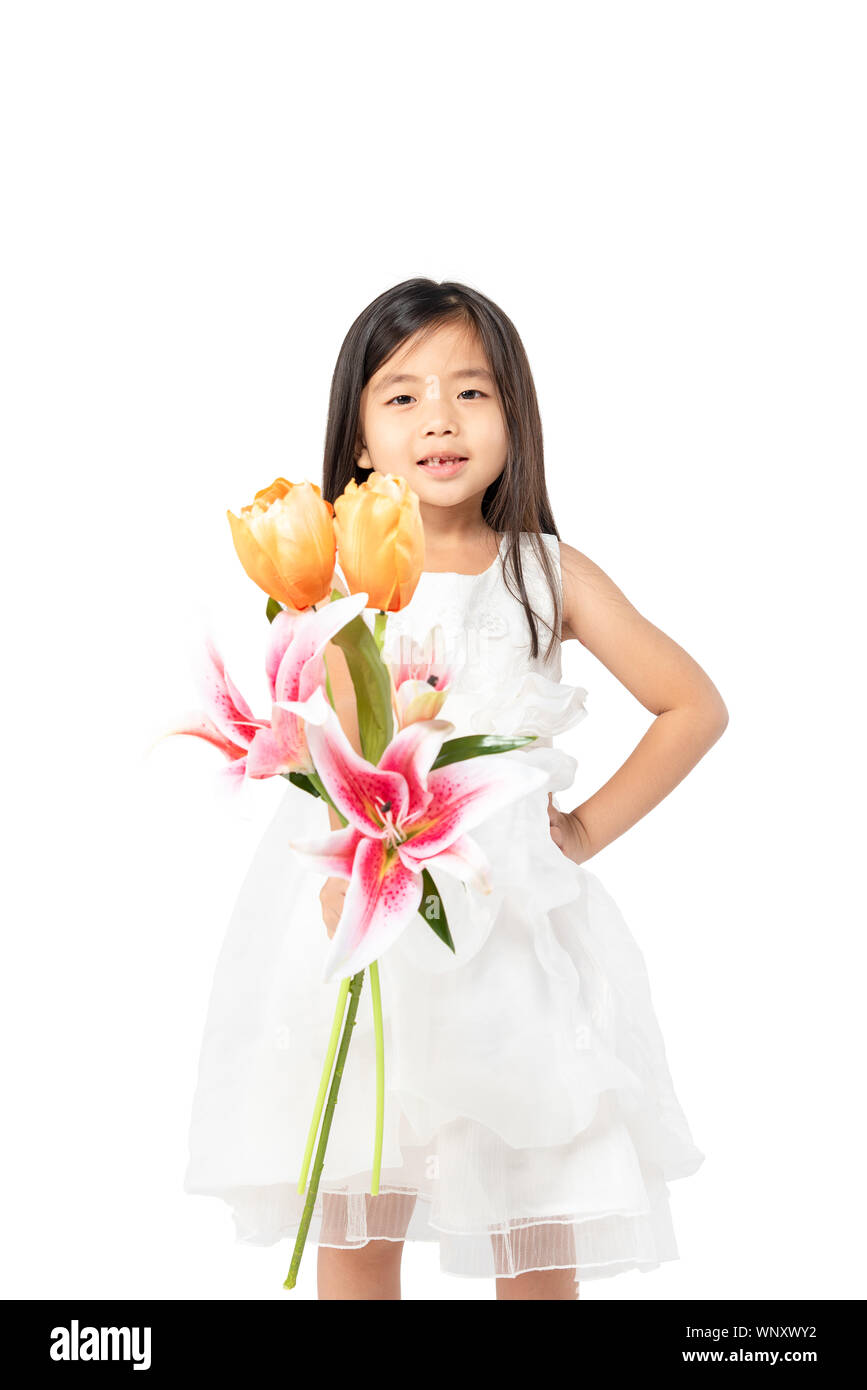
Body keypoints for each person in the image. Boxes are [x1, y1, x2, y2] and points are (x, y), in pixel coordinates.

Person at [183, 278, 728, 1301]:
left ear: (515, 421)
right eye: (402, 396)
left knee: (538, 1203)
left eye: (472, 392)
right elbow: (333, 745)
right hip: (365, 943)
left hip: (513, 941)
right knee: (360, 1207)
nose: (439, 417)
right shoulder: (334, 582)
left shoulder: (544, 572)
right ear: (356, 440)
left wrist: (578, 831)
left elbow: (692, 704)